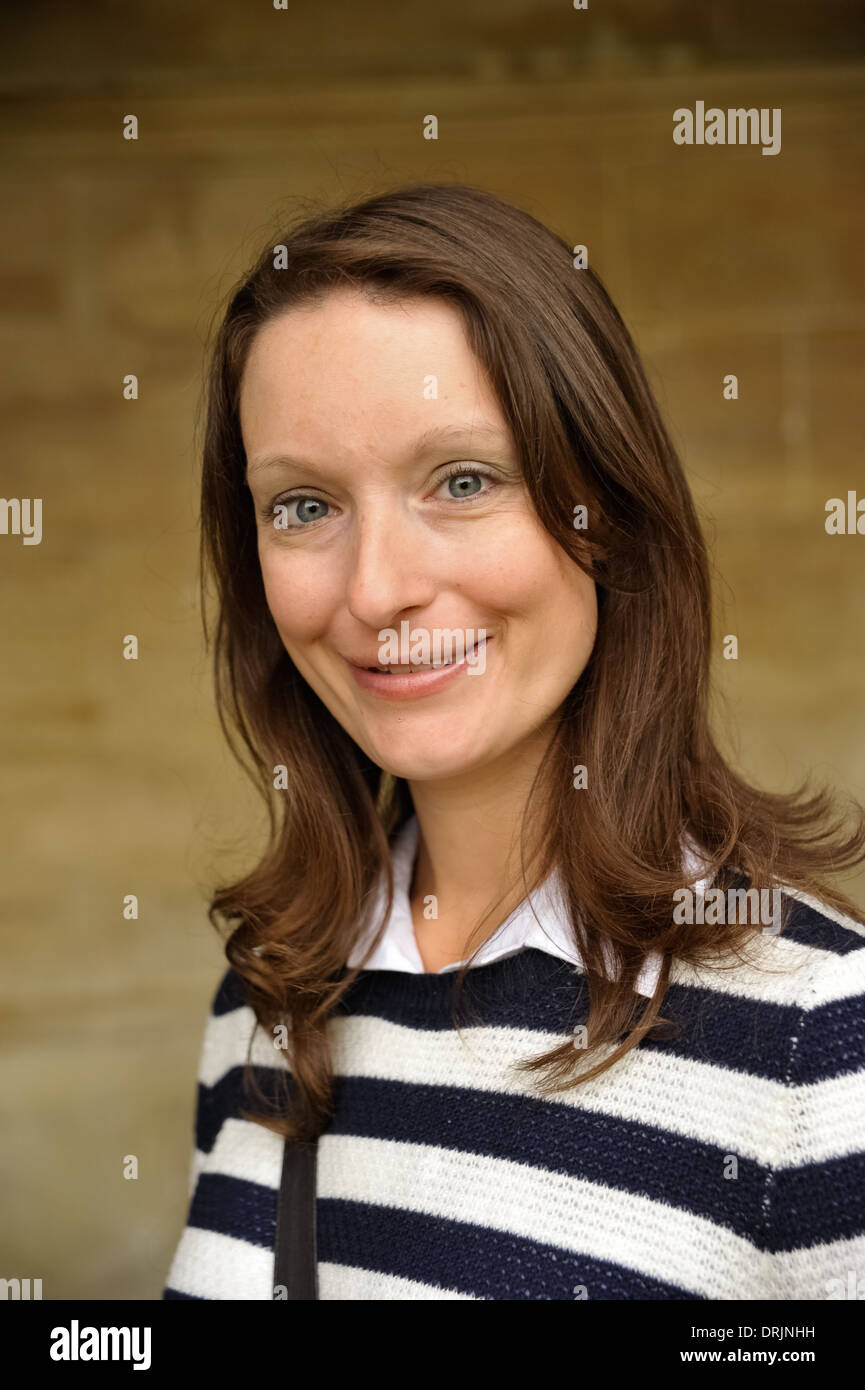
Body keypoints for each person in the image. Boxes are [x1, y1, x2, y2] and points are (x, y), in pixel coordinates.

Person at [163, 182, 865, 1301]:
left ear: (606, 510)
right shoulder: (271, 998)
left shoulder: (822, 1043)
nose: (377, 587)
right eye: (302, 505)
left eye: (463, 480)